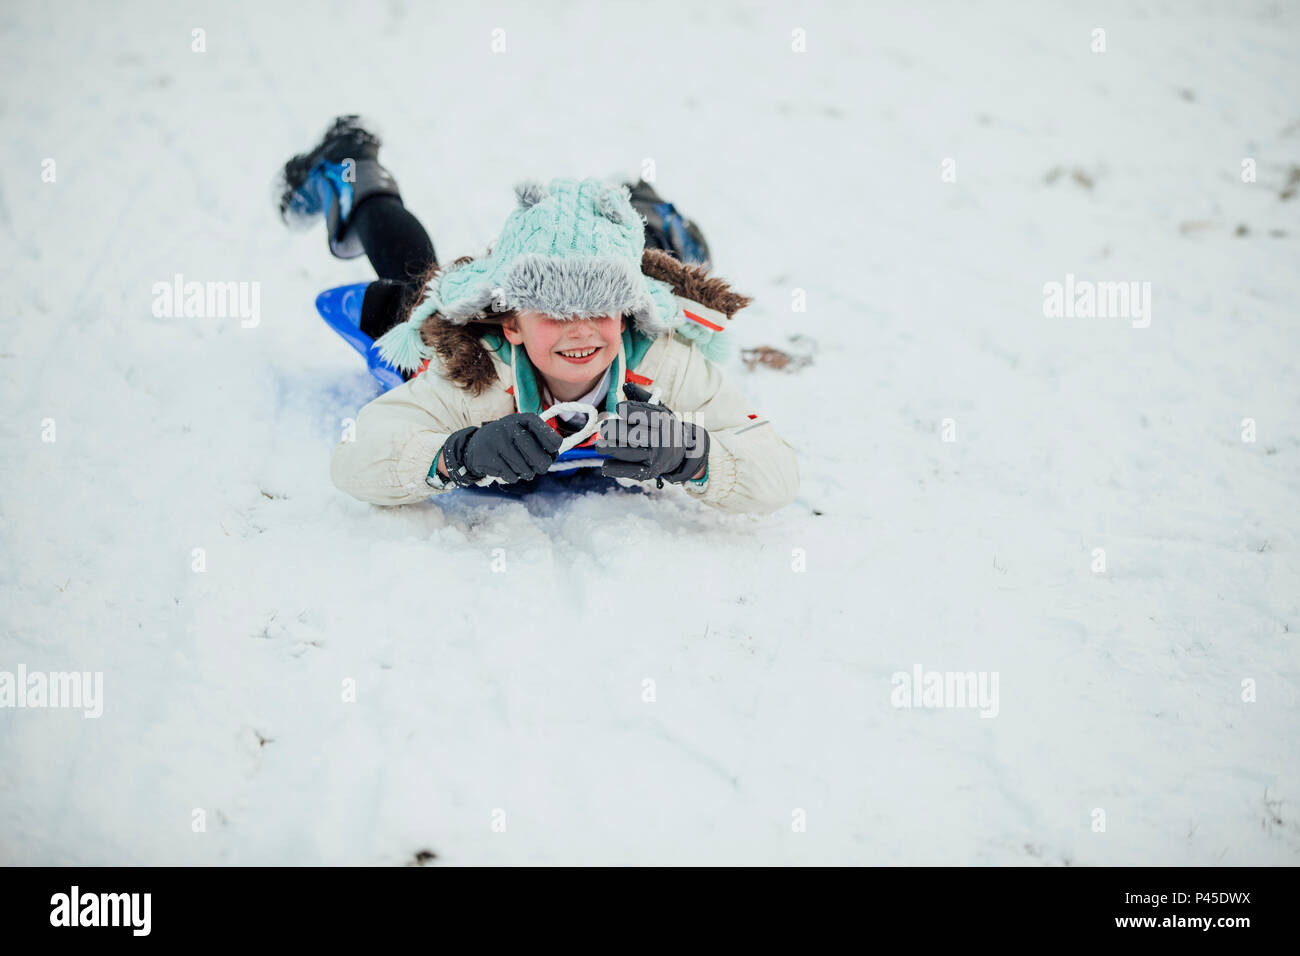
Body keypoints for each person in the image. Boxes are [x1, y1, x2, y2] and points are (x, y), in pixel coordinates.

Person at [275, 117, 798, 514]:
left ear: (625, 314)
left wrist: (692, 455)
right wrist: (459, 455)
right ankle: (355, 170)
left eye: (600, 308)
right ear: (510, 323)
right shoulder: (475, 372)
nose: (580, 329)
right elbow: (353, 458)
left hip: (617, 267)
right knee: (407, 294)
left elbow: (779, 472)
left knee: (663, 257)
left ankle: (644, 208)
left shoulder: (665, 363)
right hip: (467, 327)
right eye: (553, 312)